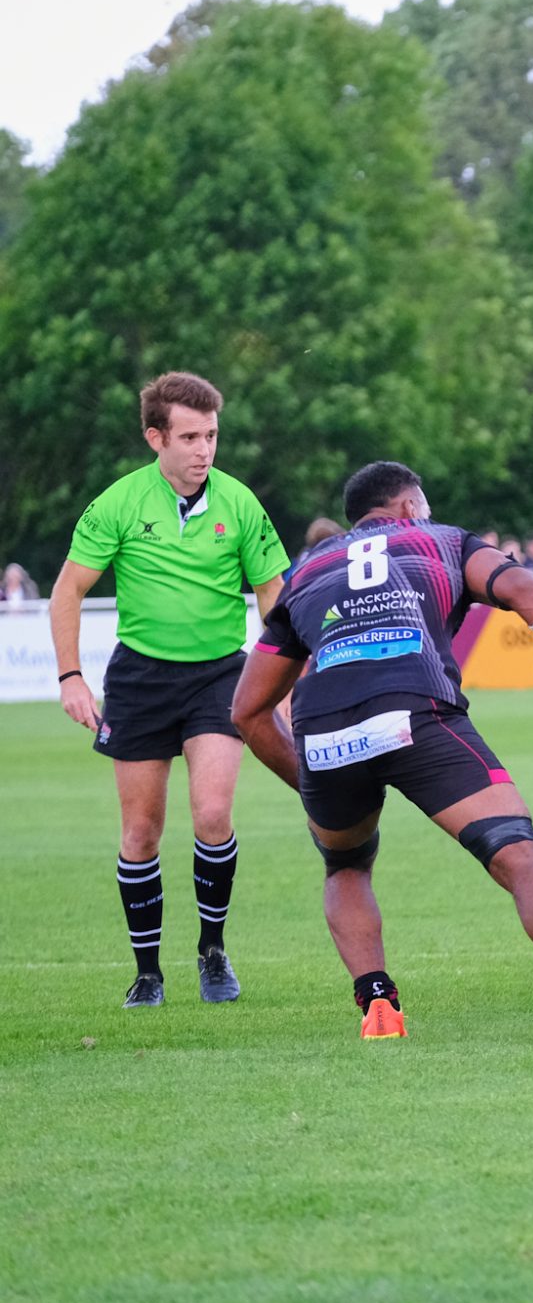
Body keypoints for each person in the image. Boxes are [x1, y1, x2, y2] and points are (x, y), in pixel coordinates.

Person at [229, 460, 533, 1042]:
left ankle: (378, 1007)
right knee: (517, 853)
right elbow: (526, 591)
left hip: (323, 729)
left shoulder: (309, 569)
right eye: (423, 503)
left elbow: (246, 710)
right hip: (414, 708)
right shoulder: (442, 539)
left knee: (345, 864)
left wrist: (310, 778)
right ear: (406, 507)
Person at [47, 372, 290, 1008]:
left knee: (212, 815)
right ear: (156, 438)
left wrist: (287, 679)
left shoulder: (239, 503)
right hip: (139, 680)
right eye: (188, 436)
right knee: (142, 832)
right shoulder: (118, 503)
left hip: (219, 676)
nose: (203, 449)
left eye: (210, 435)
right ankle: (147, 972)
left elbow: (274, 595)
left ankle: (213, 950)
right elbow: (68, 591)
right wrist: (71, 676)